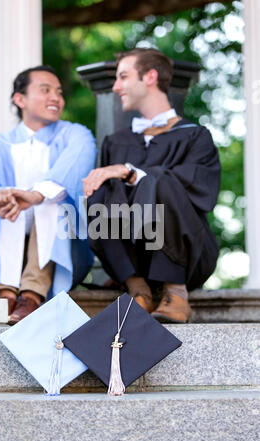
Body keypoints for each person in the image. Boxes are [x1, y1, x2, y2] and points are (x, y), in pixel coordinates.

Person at [83, 48, 220, 323]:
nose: (116, 86)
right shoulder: (116, 142)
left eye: (123, 76)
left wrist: (131, 172)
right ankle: (138, 291)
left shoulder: (195, 137)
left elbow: (200, 193)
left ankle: (175, 293)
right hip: (136, 259)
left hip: (188, 255)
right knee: (101, 192)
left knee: (164, 182)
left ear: (150, 77)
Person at [0, 65, 96, 325]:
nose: (56, 98)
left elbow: (71, 173)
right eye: (45, 90)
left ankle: (31, 295)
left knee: (52, 198)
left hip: (64, 252)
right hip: (3, 244)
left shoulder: (75, 135)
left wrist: (36, 195)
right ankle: (4, 292)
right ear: (20, 99)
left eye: (59, 92)